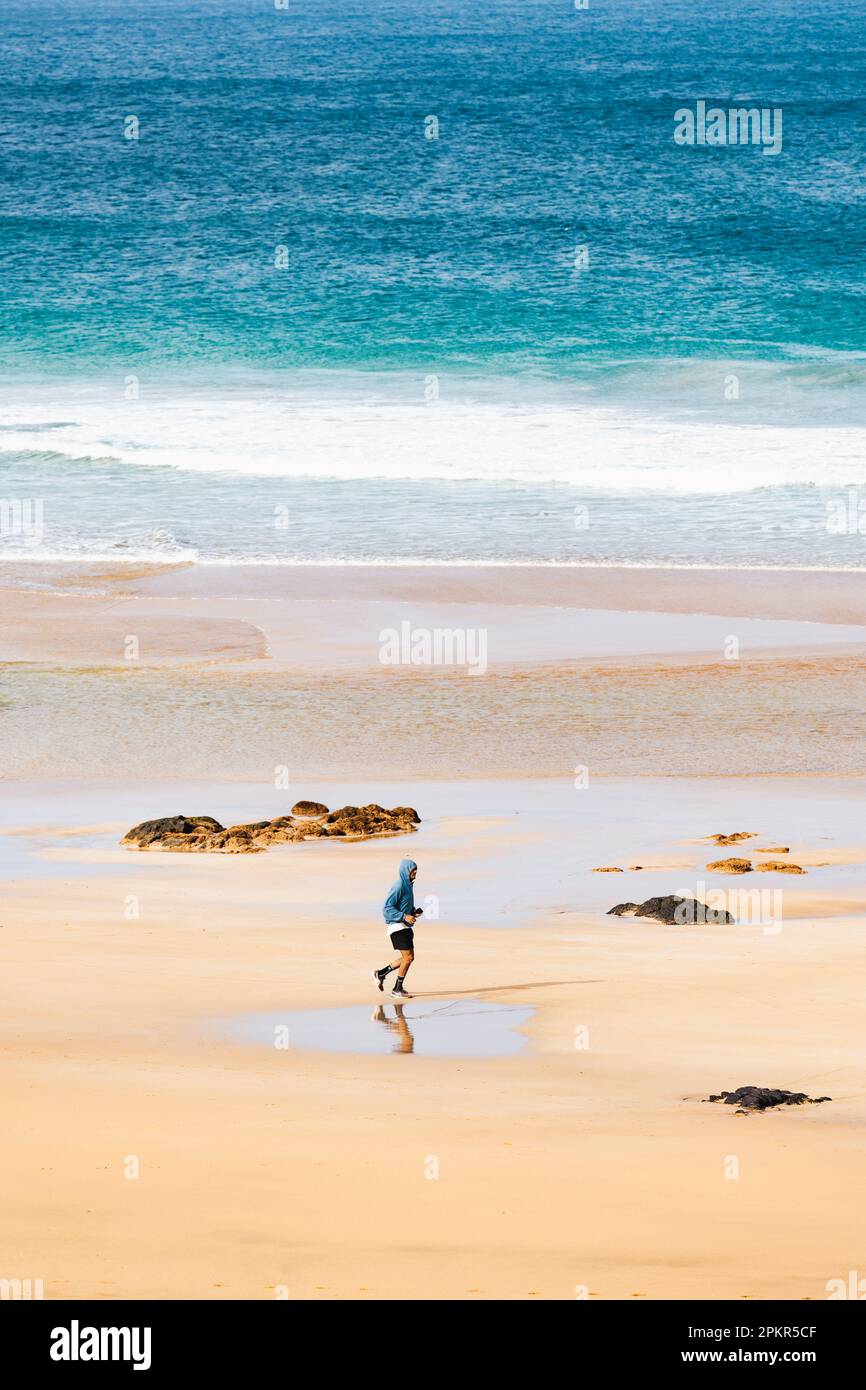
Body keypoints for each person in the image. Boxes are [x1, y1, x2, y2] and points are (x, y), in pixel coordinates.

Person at [372, 858, 423, 999]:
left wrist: (413, 913)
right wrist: (404, 916)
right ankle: (397, 989)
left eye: (416, 872)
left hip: (403, 925)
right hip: (396, 926)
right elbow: (386, 909)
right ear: (405, 872)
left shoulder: (408, 885)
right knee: (408, 957)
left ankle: (381, 974)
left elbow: (404, 906)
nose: (415, 874)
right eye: (413, 872)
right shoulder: (399, 886)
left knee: (408, 958)